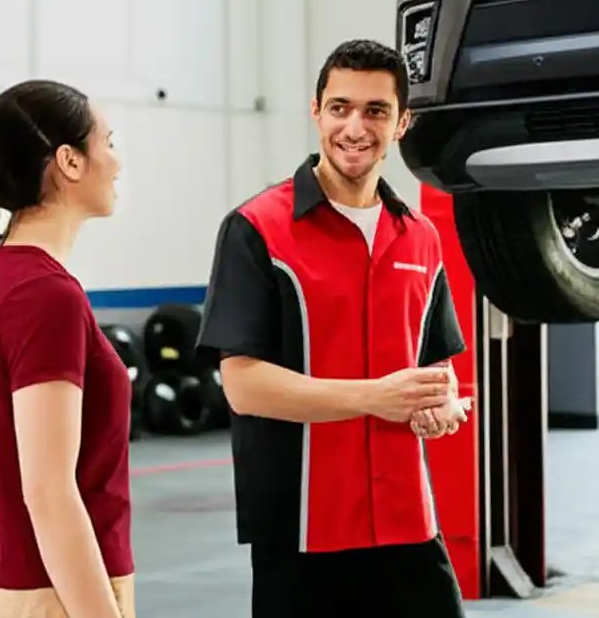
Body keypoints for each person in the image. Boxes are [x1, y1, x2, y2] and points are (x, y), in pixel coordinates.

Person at [195, 39, 471, 617]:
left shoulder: (421, 237)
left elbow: (435, 362)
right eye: (340, 107)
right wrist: (377, 398)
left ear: (402, 123)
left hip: (406, 522)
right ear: (316, 111)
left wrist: (442, 399)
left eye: (376, 111)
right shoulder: (255, 230)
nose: (355, 127)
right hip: (300, 532)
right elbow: (244, 386)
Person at [0, 79, 135, 618]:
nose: (117, 162)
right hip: (56, 596)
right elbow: (48, 493)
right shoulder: (45, 295)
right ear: (70, 162)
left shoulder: (16, 276)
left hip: (49, 586)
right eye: (109, 143)